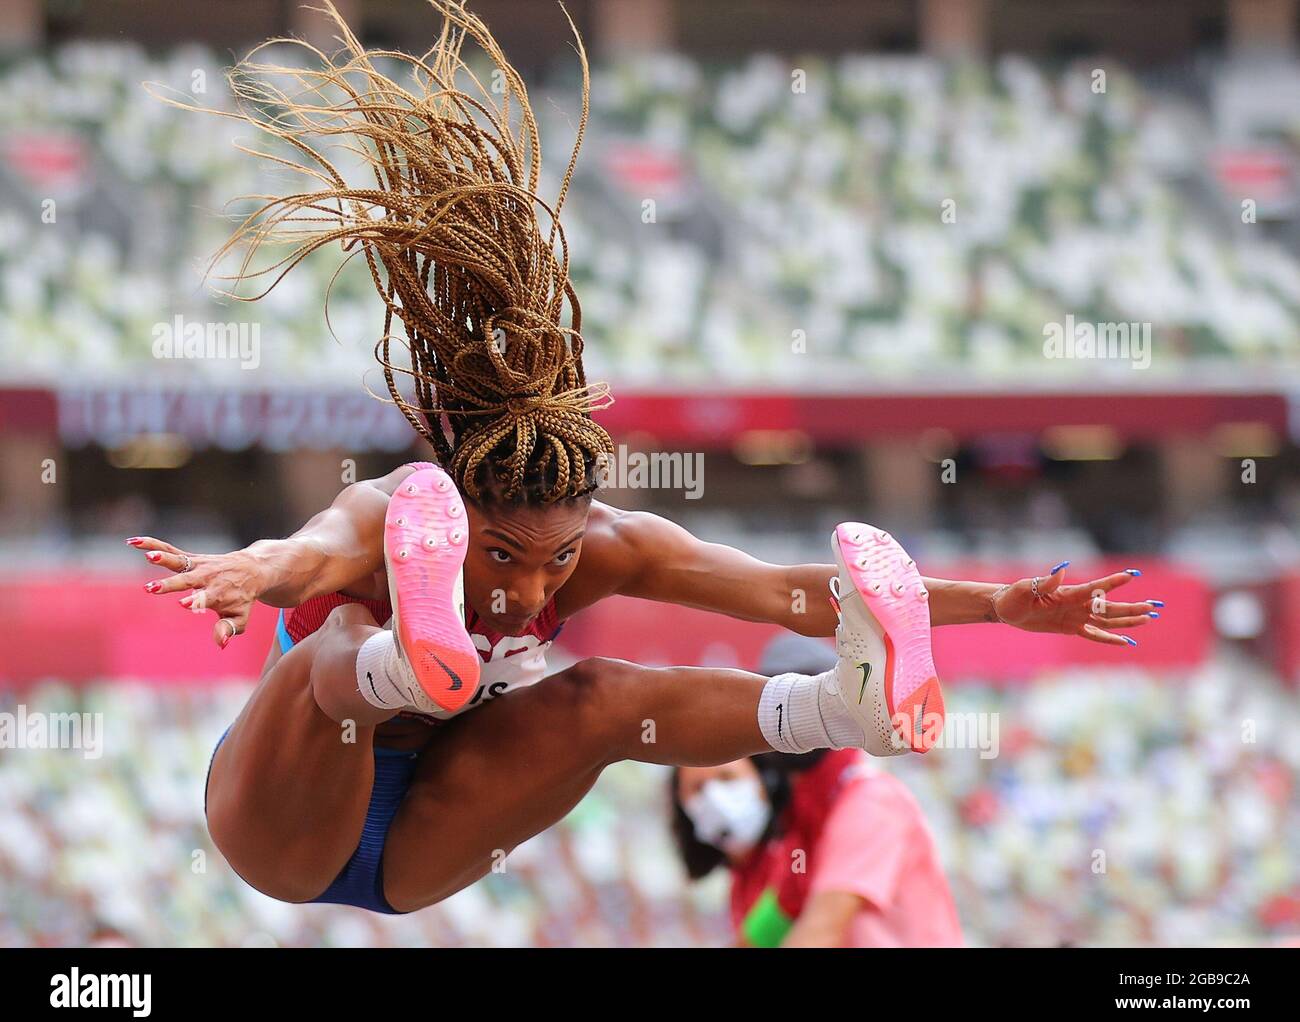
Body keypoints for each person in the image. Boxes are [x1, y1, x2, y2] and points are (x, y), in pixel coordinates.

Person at [131, 1, 1162, 916]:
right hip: (283, 820)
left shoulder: (608, 546)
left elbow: (788, 595)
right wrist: (249, 574)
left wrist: (1000, 605)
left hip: (425, 836)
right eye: (501, 560)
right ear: (451, 521)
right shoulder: (392, 512)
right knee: (333, 642)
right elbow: (305, 551)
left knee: (604, 692)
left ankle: (844, 710)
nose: (533, 586)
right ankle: (404, 662)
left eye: (558, 562)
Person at [671, 634, 962, 947]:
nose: (800, 720)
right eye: (784, 707)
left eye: (814, 703)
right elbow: (769, 926)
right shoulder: (804, 823)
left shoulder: (870, 803)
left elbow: (821, 930)